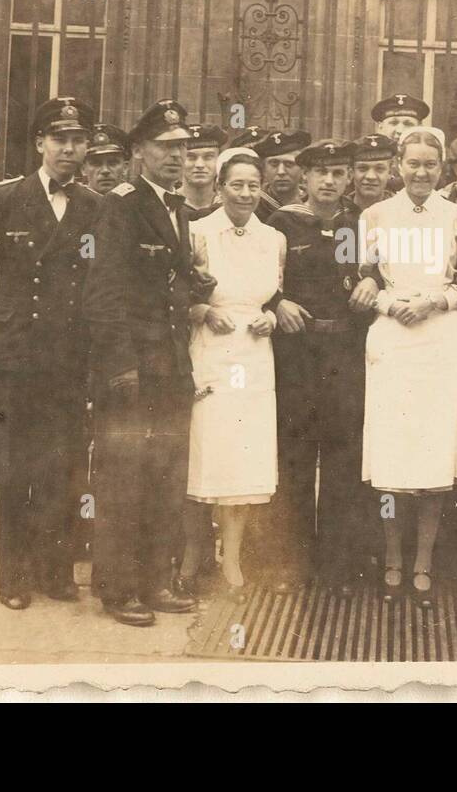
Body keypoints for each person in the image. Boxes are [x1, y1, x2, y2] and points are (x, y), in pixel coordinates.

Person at [0, 97, 99, 610]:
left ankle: (54, 570)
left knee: (61, 468)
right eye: (60, 139)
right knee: (13, 469)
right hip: (9, 355)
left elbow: (97, 288)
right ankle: (13, 573)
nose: (69, 149)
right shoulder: (6, 198)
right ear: (40, 144)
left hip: (66, 360)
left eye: (79, 140)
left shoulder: (93, 205)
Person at [83, 98, 210, 627]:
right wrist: (121, 366)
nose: (177, 156)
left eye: (183, 147)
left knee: (165, 475)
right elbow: (104, 291)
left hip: (172, 365)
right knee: (124, 478)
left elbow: (170, 283)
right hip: (134, 367)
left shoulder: (174, 206)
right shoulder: (121, 204)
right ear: (139, 152)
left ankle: (157, 579)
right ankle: (119, 587)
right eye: (165, 147)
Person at [356, 126, 457, 609]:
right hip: (393, 339)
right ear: (398, 167)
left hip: (441, 337)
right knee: (393, 457)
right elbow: (362, 277)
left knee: (432, 457)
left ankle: (423, 562)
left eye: (431, 164)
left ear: (442, 168)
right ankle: (391, 558)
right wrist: (389, 305)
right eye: (413, 163)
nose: (421, 172)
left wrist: (436, 299)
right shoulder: (375, 215)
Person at [177, 148, 286, 600]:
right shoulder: (198, 233)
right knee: (204, 455)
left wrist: (272, 319)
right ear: (219, 187)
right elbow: (174, 290)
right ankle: (189, 558)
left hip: (255, 356)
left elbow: (275, 295)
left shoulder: (274, 238)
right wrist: (201, 310)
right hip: (210, 352)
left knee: (244, 458)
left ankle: (233, 560)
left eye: (253, 185)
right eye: (236, 185)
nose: (245, 193)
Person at [261, 139, 368, 597]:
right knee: (296, 459)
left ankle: (339, 567)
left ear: (348, 180)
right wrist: (277, 301)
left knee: (344, 460)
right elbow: (257, 277)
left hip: (344, 351)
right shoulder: (281, 223)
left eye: (338, 173)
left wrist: (370, 278)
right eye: (320, 172)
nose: (329, 181)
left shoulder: (357, 225)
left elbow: (377, 272)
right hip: (299, 353)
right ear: (303, 179)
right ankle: (291, 561)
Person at [252, 129, 311, 222]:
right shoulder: (252, 205)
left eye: (289, 164)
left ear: (303, 169)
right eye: (274, 164)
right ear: (264, 170)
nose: (281, 172)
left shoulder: (312, 204)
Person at [178, 123, 228, 219]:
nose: (199, 165)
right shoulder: (167, 205)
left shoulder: (228, 206)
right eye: (191, 157)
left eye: (208, 157)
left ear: (219, 160)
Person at [345, 133, 396, 214]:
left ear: (390, 172)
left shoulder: (402, 211)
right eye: (363, 168)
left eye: (379, 169)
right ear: (351, 173)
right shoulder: (338, 211)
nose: (371, 176)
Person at [81, 123, 130, 195]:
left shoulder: (137, 204)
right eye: (96, 164)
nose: (105, 171)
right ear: (83, 169)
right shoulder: (70, 203)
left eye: (113, 163)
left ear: (125, 167)